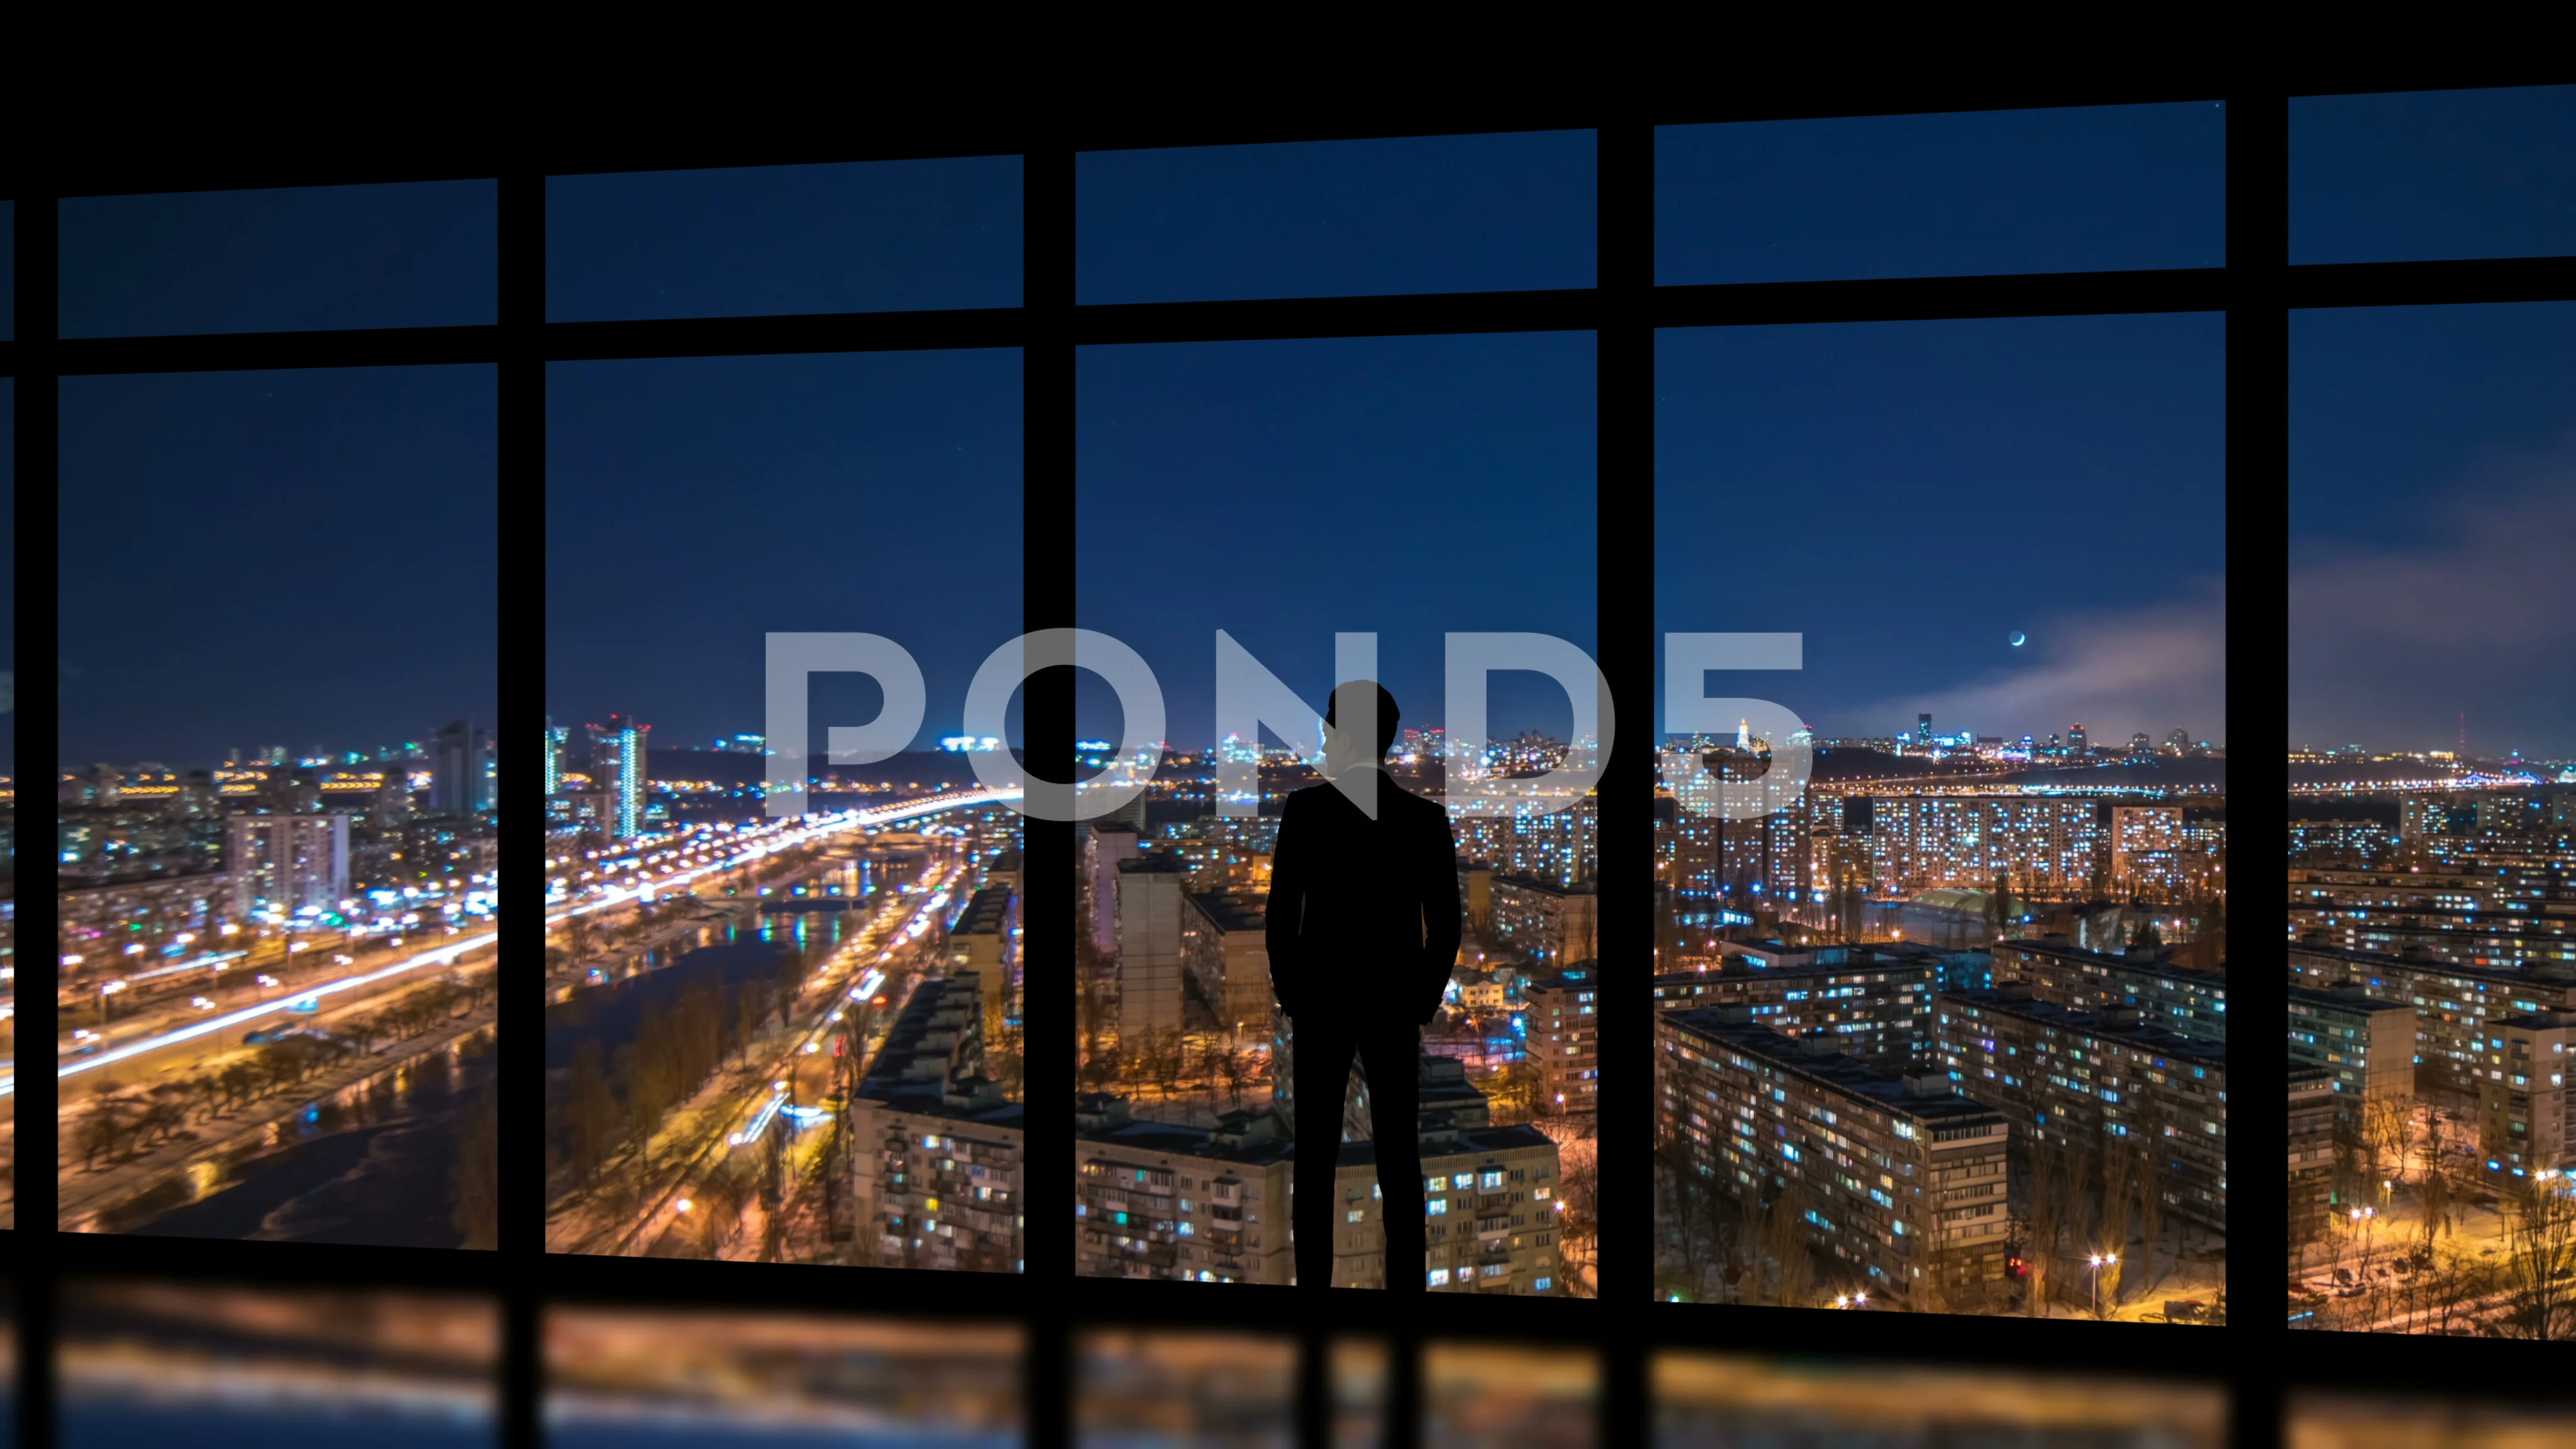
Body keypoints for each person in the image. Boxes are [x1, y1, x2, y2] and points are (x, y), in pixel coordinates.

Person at [1266, 680, 1462, 1291]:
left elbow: (1280, 917)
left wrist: (1294, 994)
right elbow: (1447, 925)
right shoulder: (1423, 820)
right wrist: (1418, 1001)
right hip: (1390, 1006)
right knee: (1400, 1160)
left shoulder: (1305, 812)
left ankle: (1313, 1295)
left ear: (1346, 737)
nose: (1323, 738)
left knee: (1315, 1159)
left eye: (1328, 729)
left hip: (1321, 1004)